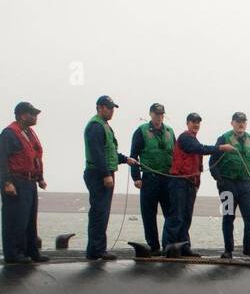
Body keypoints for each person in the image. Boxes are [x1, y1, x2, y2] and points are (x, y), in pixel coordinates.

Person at [168, 113, 234, 257]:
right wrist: (221, 148)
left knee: (186, 217)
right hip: (179, 181)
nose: (196, 124)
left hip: (190, 183)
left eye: (198, 122)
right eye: (193, 122)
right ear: (187, 123)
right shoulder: (185, 138)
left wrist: (197, 184)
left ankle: (184, 247)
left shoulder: (193, 140)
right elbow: (200, 149)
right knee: (176, 216)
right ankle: (169, 248)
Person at [83, 95, 138, 261]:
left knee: (102, 212)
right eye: (109, 108)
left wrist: (125, 159)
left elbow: (109, 151)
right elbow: (97, 153)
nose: (112, 111)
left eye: (113, 108)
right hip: (98, 174)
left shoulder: (105, 126)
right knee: (99, 212)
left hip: (103, 172)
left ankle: (98, 248)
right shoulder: (95, 126)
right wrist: (106, 174)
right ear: (100, 107)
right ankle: (96, 250)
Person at [209, 111, 250, 260]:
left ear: (246, 123)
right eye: (237, 121)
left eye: (243, 121)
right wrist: (219, 179)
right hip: (227, 184)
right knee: (228, 216)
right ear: (232, 123)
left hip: (246, 185)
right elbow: (212, 163)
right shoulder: (224, 138)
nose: (240, 124)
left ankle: (248, 247)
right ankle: (228, 250)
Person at [0, 101, 49, 264]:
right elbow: (2, 159)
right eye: (31, 114)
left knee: (29, 219)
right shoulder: (9, 133)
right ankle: (13, 253)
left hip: (30, 181)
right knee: (15, 219)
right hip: (16, 181)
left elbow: (34, 157)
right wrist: (6, 182)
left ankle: (31, 250)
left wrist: (40, 178)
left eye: (35, 114)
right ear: (20, 115)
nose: (35, 116)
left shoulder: (29, 133)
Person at [129, 103, 176, 254]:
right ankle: (154, 246)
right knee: (149, 214)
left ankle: (168, 244)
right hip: (150, 178)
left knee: (171, 213)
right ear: (150, 114)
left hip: (167, 178)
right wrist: (136, 177)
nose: (159, 117)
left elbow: (175, 155)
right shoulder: (141, 131)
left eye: (161, 114)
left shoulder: (169, 131)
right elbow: (133, 155)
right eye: (156, 114)